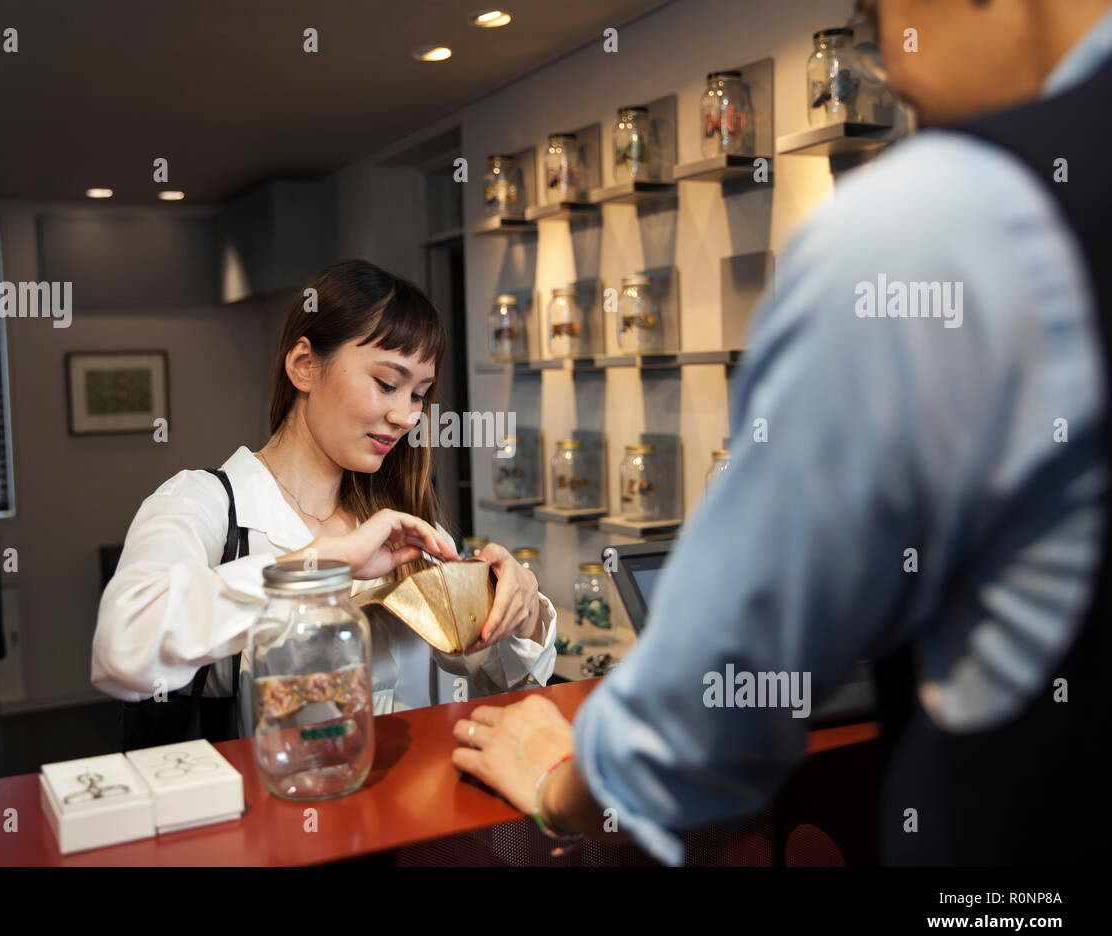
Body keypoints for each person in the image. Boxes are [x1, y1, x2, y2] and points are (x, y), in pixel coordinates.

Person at [452, 0, 1112, 865]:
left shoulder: (939, 220)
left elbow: (715, 704)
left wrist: (558, 781)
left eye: (877, 36)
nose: (899, 87)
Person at [92, 259, 557, 738]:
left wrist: (523, 615)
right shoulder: (203, 503)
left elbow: (507, 678)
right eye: (386, 384)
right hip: (277, 807)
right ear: (304, 366)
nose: (406, 416)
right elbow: (123, 647)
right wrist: (320, 563)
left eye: (419, 394)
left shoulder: (408, 529)